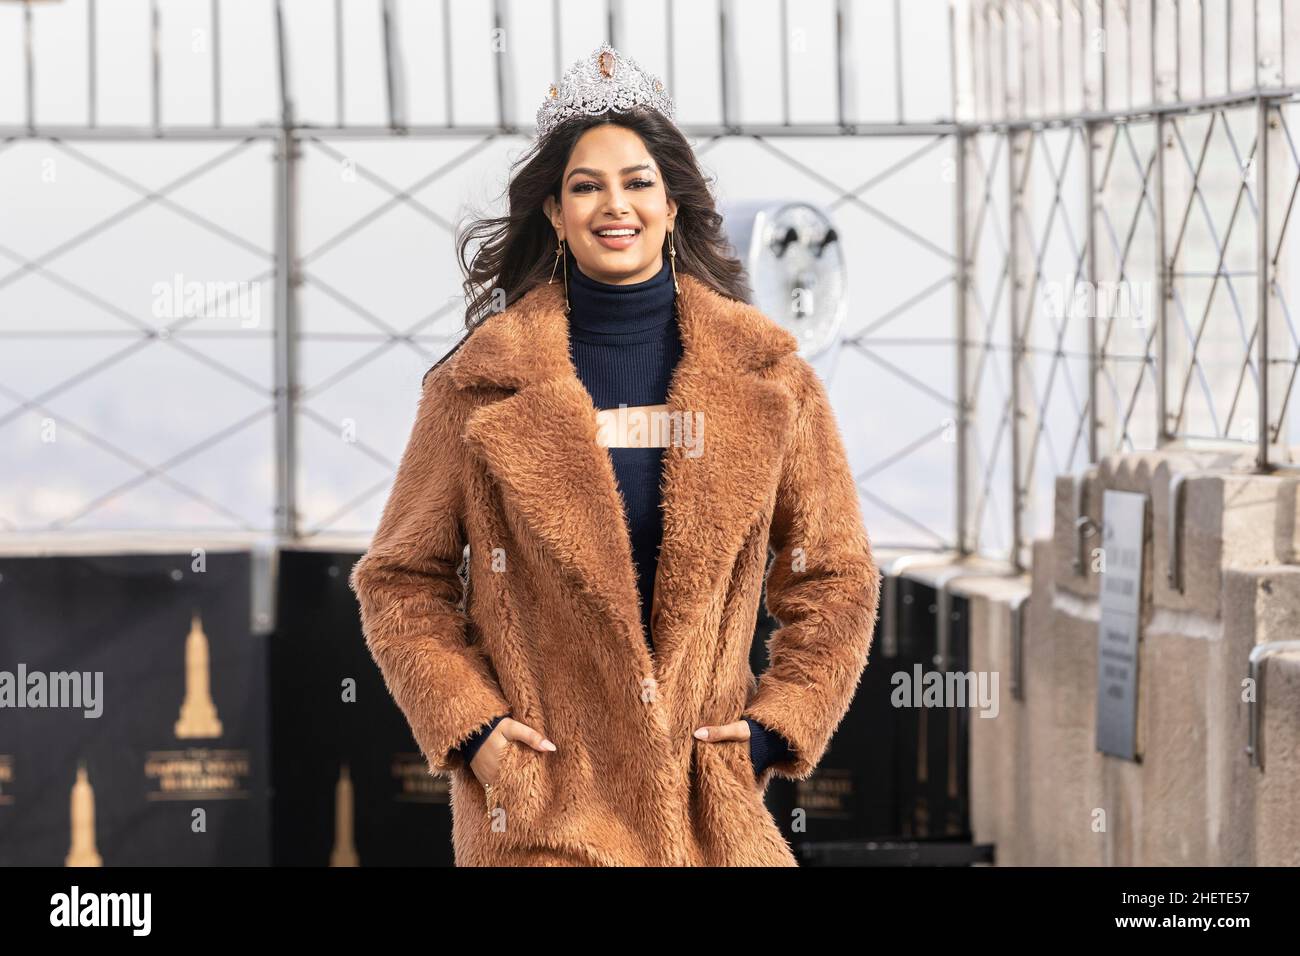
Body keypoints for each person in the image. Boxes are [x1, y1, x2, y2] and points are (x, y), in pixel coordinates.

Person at [350, 42, 880, 867]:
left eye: (637, 182)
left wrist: (777, 729)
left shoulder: (772, 380)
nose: (614, 204)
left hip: (712, 819)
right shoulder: (478, 385)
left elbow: (836, 576)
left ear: (672, 205)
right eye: (586, 186)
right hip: (543, 819)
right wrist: (478, 732)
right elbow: (399, 580)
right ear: (555, 214)